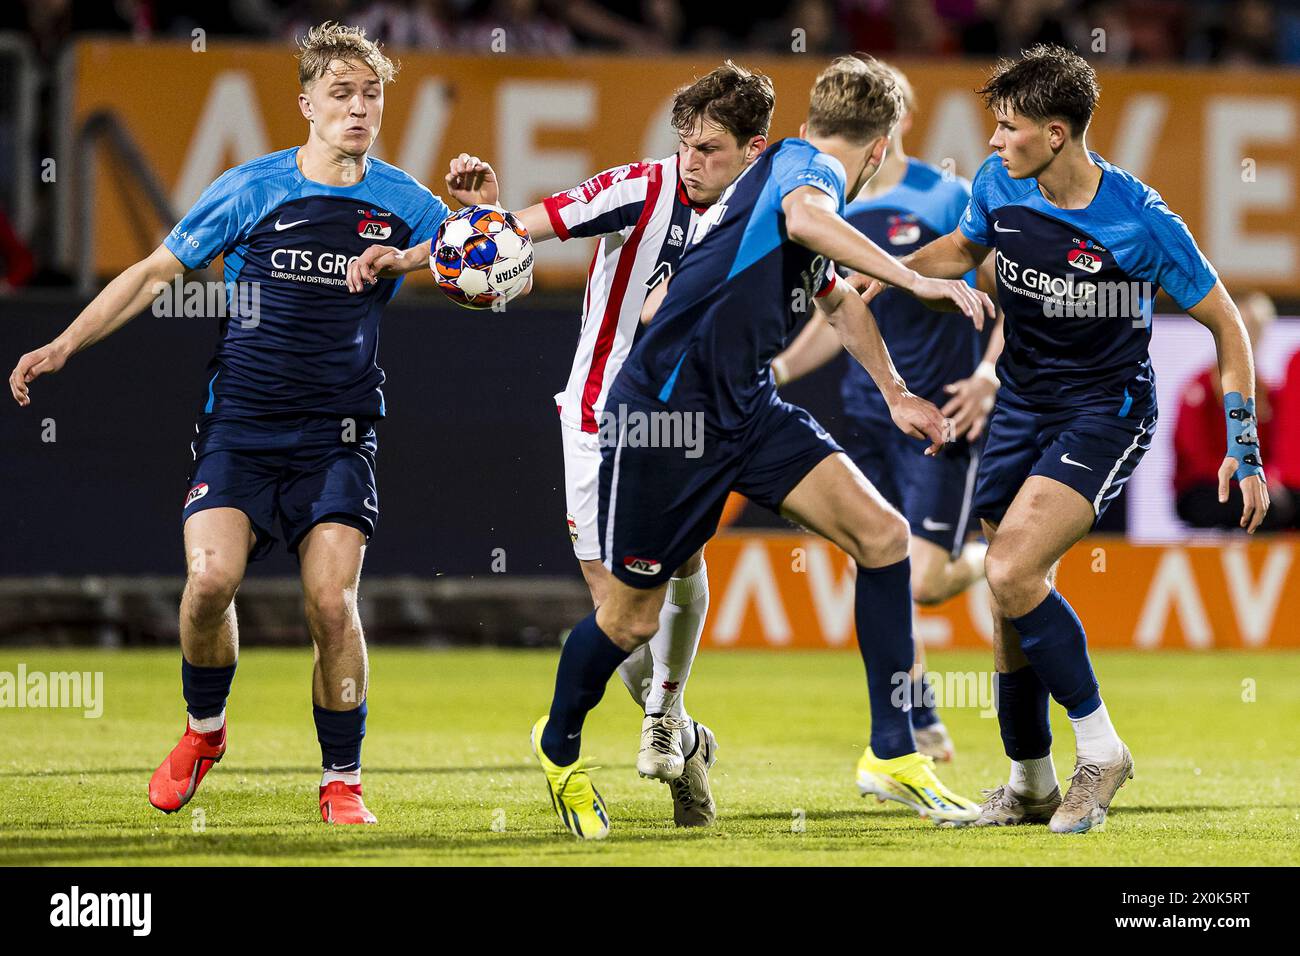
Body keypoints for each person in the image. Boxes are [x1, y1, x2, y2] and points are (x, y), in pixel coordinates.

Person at [8, 21, 483, 825]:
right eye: (341, 94)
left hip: (338, 437)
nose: (360, 108)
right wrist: (63, 342)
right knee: (208, 585)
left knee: (332, 604)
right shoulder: (253, 187)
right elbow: (157, 270)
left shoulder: (405, 201)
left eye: (371, 94)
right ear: (306, 103)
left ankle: (342, 781)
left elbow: (492, 280)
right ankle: (204, 732)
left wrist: (483, 213)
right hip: (241, 431)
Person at [527, 54, 996, 839]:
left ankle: (891, 754)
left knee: (883, 539)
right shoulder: (807, 172)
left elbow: (836, 299)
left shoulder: (782, 167)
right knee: (630, 619)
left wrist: (895, 392)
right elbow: (814, 223)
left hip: (745, 408)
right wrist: (917, 281)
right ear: (880, 149)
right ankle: (559, 752)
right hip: (666, 418)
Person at [349, 61, 776, 827]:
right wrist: (432, 246)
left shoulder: (765, 209)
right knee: (619, 613)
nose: (691, 159)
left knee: (679, 564)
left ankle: (662, 719)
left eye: (709, 146)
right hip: (595, 417)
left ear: (754, 146)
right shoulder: (639, 188)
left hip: (688, 422)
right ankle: (681, 731)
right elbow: (519, 231)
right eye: (684, 142)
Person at [903, 44, 1269, 833]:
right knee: (1008, 595)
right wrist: (891, 272)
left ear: (1058, 133)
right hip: (1022, 406)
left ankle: (1101, 752)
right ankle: (1028, 780)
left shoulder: (1141, 221)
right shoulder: (1000, 185)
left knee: (1010, 567)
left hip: (1105, 412)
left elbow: (1227, 325)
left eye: (1009, 127)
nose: (994, 142)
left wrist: (1246, 448)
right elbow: (965, 253)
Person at [772, 63, 1004, 762]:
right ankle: (918, 716)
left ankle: (995, 558)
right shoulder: (830, 200)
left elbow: (1009, 296)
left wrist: (991, 375)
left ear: (902, 119)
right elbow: (835, 310)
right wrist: (780, 368)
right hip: (867, 411)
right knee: (885, 562)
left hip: (941, 415)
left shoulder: (948, 197)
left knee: (928, 583)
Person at [1174, 291, 1291, 530]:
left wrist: (1268, 477)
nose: (1249, 336)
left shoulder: (1269, 393)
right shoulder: (1200, 388)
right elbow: (1192, 451)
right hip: (1205, 487)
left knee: (1276, 504)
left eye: (1256, 328)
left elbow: (1281, 449)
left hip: (1252, 485)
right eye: (1244, 326)